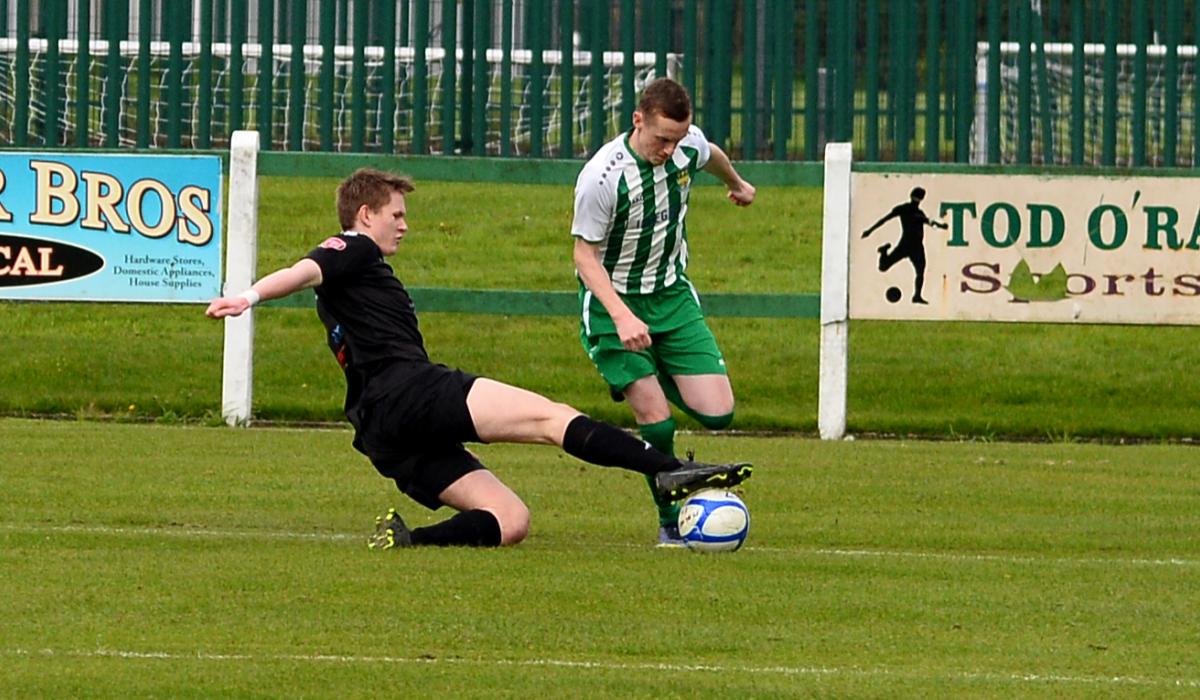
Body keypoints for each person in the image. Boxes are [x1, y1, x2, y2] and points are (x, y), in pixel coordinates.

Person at [205, 168, 751, 549]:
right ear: (365, 214)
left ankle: (410, 541)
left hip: (381, 428)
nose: (404, 223)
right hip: (408, 391)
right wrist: (249, 297)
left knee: (510, 521)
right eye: (396, 213)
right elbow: (305, 269)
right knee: (549, 418)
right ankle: (669, 470)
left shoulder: (359, 268)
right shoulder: (352, 247)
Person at [570, 77, 757, 547]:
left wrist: (736, 183)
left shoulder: (685, 145)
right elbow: (583, 257)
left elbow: (709, 151)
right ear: (638, 121)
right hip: (615, 303)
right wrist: (622, 317)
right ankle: (669, 522)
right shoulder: (602, 178)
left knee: (719, 414)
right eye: (661, 140)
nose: (669, 150)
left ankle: (646, 371)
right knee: (659, 424)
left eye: (676, 139)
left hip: (671, 297)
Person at [861, 186, 949, 304]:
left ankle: (917, 295)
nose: (917, 200)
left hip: (917, 246)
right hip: (906, 244)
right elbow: (885, 219)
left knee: (920, 271)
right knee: (883, 267)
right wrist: (870, 231)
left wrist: (941, 226)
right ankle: (883, 251)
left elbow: (929, 222)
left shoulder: (918, 213)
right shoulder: (905, 209)